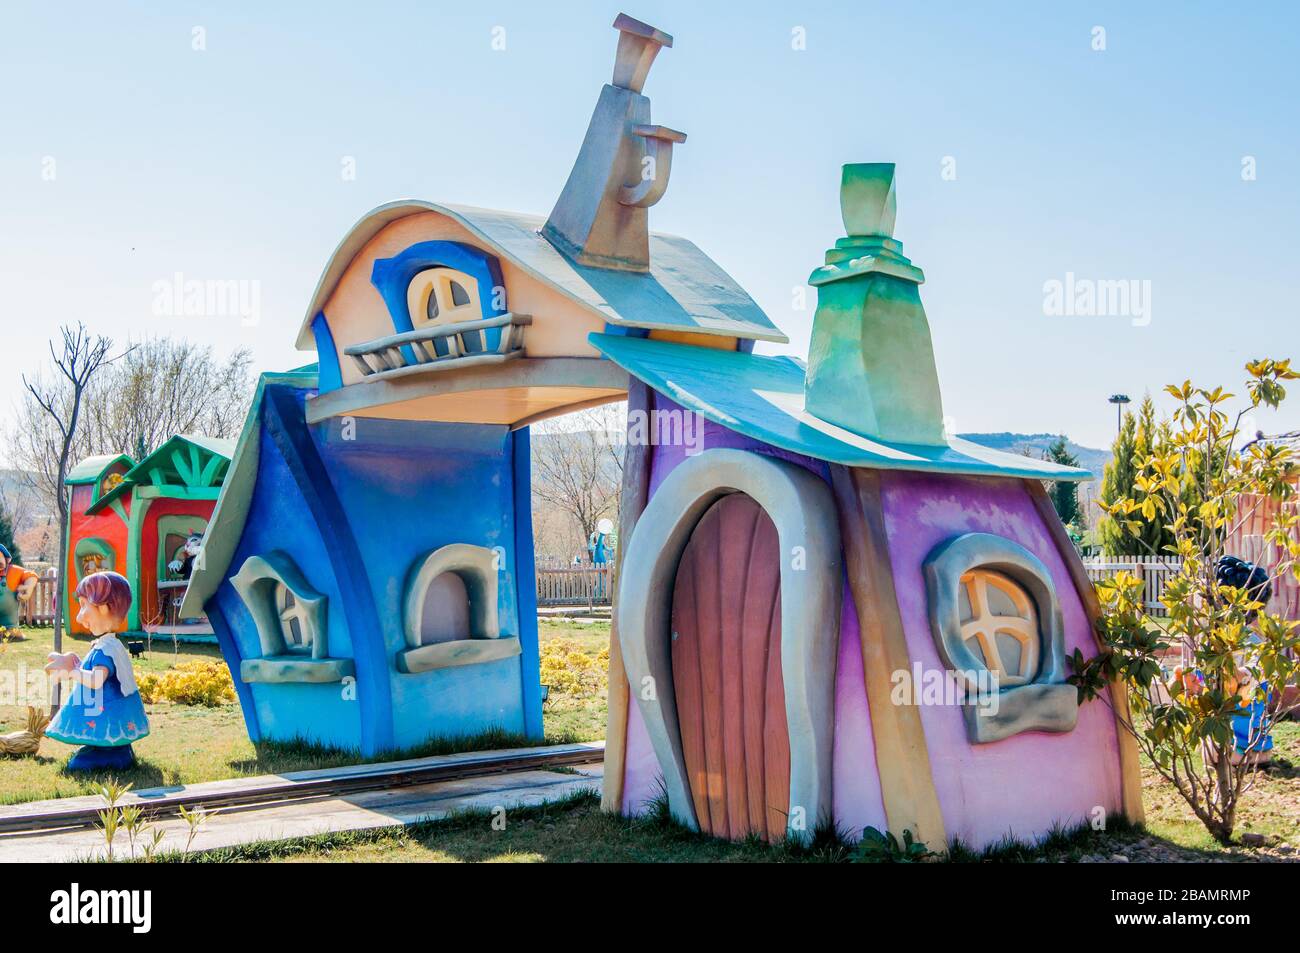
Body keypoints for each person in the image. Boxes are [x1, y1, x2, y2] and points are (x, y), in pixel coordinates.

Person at [44, 571, 149, 771]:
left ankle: (113, 752)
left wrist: (72, 671)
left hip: (106, 708)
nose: (79, 615)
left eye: (84, 606)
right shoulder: (107, 645)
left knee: (102, 734)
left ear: (103, 607)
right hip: (105, 706)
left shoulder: (107, 650)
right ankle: (112, 749)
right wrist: (74, 662)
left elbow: (96, 680)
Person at [0, 543, 38, 629]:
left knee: (11, 634)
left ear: (6, 560)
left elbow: (30, 575)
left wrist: (28, 587)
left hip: (9, 620)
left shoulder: (12, 571)